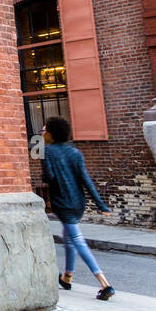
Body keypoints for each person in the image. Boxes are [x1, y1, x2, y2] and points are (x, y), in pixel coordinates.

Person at [42, 116, 115, 300]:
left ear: (51, 134)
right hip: (78, 204)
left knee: (77, 240)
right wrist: (101, 205)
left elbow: (49, 177)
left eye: (44, 131)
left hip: (63, 204)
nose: (42, 133)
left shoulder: (48, 152)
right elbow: (86, 181)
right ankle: (67, 277)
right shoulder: (75, 153)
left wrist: (45, 167)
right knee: (68, 239)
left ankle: (104, 283)